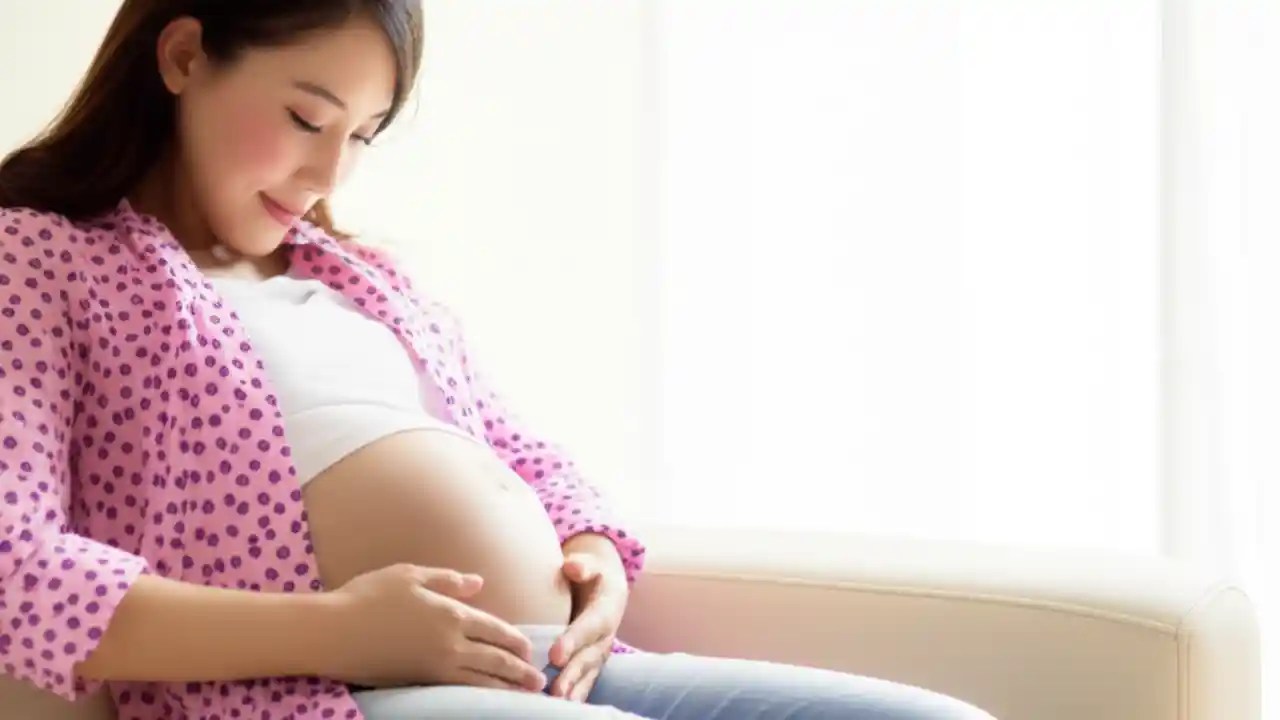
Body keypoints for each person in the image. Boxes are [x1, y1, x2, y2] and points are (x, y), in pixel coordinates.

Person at [0, 2, 996, 718]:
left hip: (544, 666)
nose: (328, 171)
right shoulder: (46, 256)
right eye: (307, 118)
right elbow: (18, 568)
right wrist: (338, 632)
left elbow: (529, 456)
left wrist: (597, 562)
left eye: (362, 135)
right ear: (182, 55)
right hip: (323, 692)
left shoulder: (361, 277)